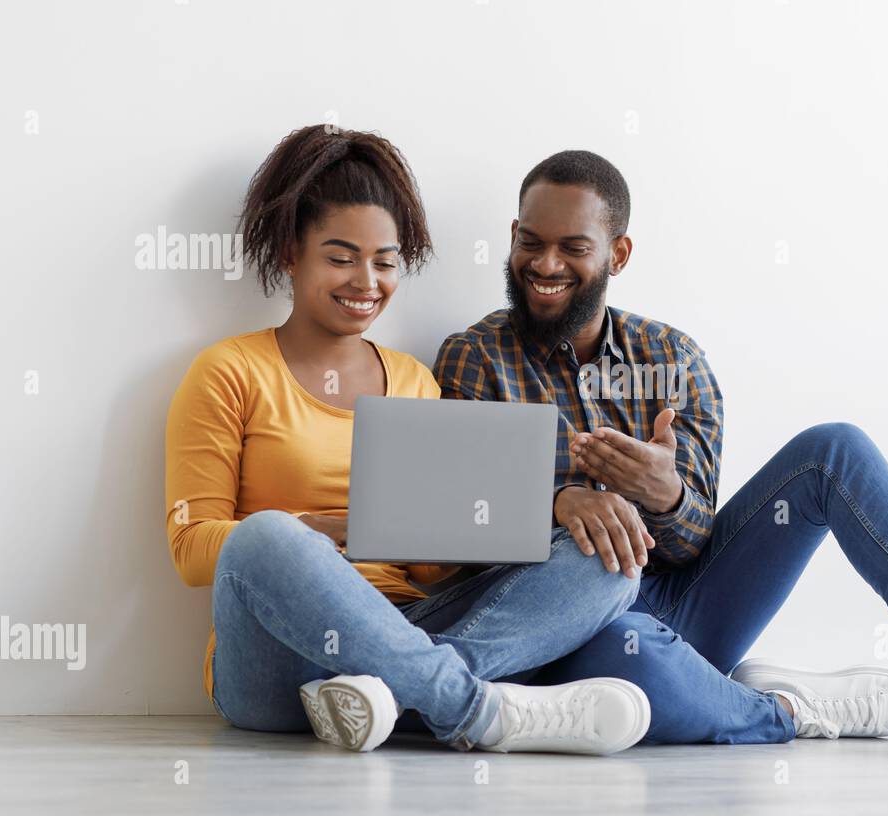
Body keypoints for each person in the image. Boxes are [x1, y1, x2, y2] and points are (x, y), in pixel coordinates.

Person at [432, 150, 888, 760]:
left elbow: (696, 535)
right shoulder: (474, 358)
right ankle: (791, 711)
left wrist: (665, 493)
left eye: (572, 247)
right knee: (626, 668)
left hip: (681, 602)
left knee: (833, 450)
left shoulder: (672, 358)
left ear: (620, 253)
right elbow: (460, 526)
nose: (545, 265)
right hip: (563, 632)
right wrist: (557, 501)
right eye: (530, 242)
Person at [164, 126, 651, 755]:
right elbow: (190, 548)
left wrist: (492, 517)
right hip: (275, 661)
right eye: (341, 257)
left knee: (609, 563)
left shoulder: (416, 381)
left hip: (405, 631)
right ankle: (474, 708)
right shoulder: (229, 371)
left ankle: (394, 697)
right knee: (265, 537)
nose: (366, 281)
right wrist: (320, 528)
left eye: (385, 261)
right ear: (291, 253)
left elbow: (429, 571)